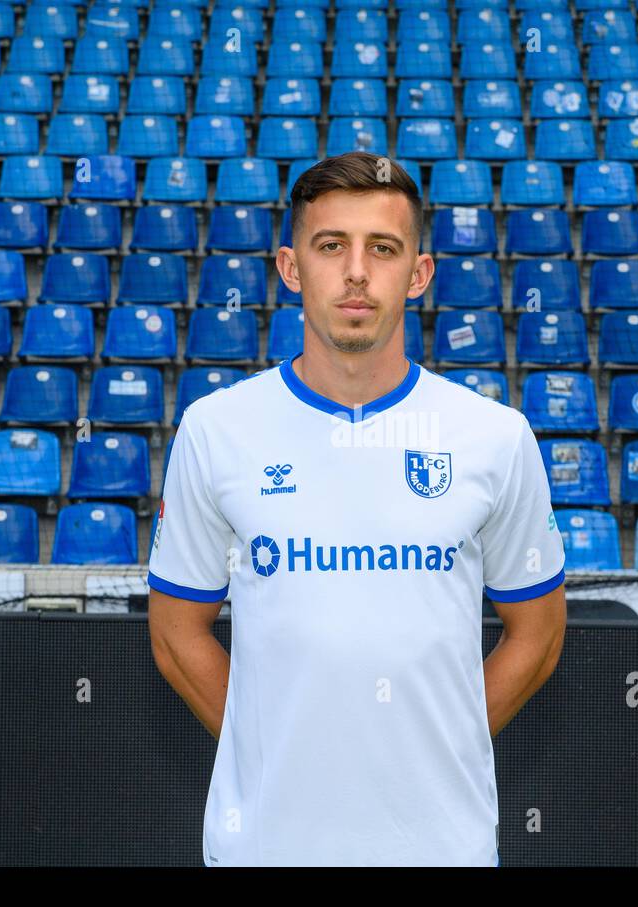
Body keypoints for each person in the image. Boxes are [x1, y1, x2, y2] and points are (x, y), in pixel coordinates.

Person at [147, 152, 567, 866]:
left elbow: (539, 636)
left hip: (440, 850)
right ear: (290, 267)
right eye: (331, 245)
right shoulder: (217, 431)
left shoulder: (494, 438)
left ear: (420, 273)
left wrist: (436, 743)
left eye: (383, 248)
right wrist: (279, 748)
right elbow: (175, 635)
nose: (356, 273)